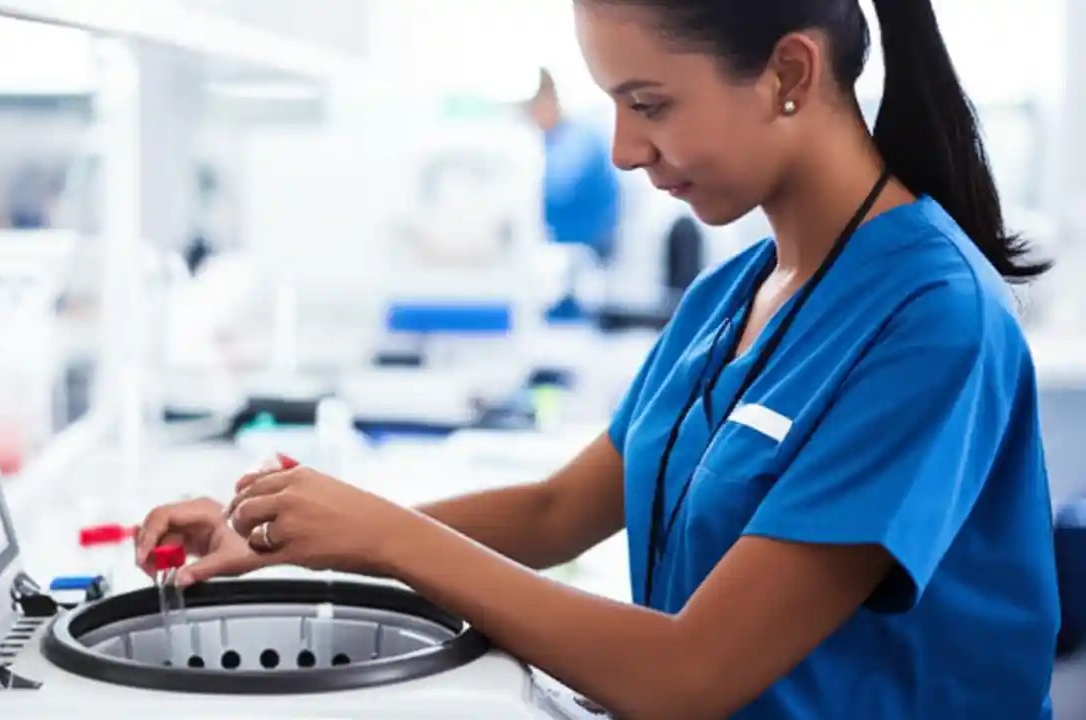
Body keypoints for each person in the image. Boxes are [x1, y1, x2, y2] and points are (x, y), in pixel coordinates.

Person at [134, 1, 1059, 717]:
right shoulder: (734, 293)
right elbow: (555, 511)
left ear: (789, 72)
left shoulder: (931, 321)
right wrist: (289, 542)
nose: (621, 151)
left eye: (648, 104)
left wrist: (381, 536)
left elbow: (687, 675)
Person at [528, 67, 622, 265]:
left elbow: (558, 188)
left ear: (549, 101)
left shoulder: (579, 138)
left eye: (534, 108)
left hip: (590, 248)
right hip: (564, 246)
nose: (533, 118)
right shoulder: (551, 140)